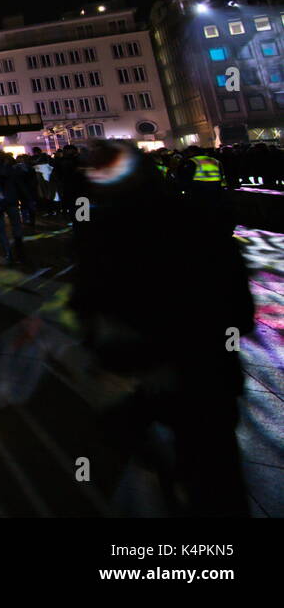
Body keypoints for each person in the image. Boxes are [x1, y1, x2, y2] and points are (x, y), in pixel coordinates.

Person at [70, 140, 255, 517]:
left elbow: (88, 305)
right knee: (216, 475)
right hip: (205, 372)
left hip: (141, 373)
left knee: (146, 451)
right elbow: (238, 305)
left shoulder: (101, 235)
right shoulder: (198, 221)